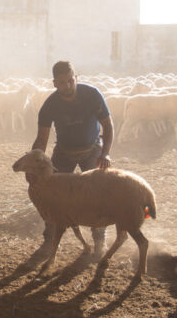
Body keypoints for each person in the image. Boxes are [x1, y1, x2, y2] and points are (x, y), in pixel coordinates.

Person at [30, 60, 114, 258]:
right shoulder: (50, 105)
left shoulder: (92, 95)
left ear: (76, 78)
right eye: (61, 82)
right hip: (64, 151)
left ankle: (99, 241)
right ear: (54, 83)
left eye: (70, 81)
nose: (67, 86)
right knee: (52, 193)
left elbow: (108, 125)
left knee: (97, 192)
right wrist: (35, 166)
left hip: (92, 149)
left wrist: (106, 152)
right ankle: (49, 241)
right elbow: (42, 139)